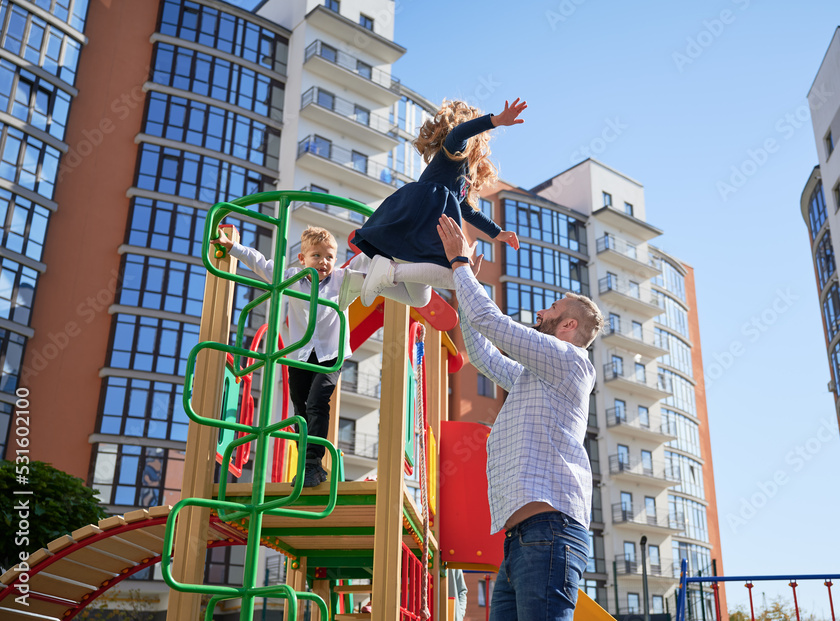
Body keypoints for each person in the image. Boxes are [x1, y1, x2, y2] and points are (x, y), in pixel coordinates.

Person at [436, 215, 603, 620]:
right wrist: (464, 282)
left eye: (551, 309)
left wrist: (460, 264)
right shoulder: (536, 378)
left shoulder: (569, 361)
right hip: (523, 539)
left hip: (550, 533)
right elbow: (483, 355)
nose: (540, 312)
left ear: (567, 326)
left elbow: (492, 323)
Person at [342, 98, 526, 309]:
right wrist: (496, 120)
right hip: (422, 216)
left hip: (427, 223)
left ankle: (361, 280)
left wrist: (498, 233)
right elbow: (459, 133)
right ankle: (388, 271)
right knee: (456, 275)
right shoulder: (452, 153)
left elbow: (468, 210)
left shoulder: (462, 176)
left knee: (420, 298)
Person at [216, 225, 357, 487]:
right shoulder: (292, 276)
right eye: (316, 255)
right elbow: (263, 265)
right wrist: (232, 248)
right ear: (302, 259)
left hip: (330, 354)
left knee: (317, 402)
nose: (323, 262)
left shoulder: (343, 280)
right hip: (299, 355)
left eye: (329, 256)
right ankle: (305, 462)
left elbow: (370, 273)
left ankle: (314, 464)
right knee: (300, 409)